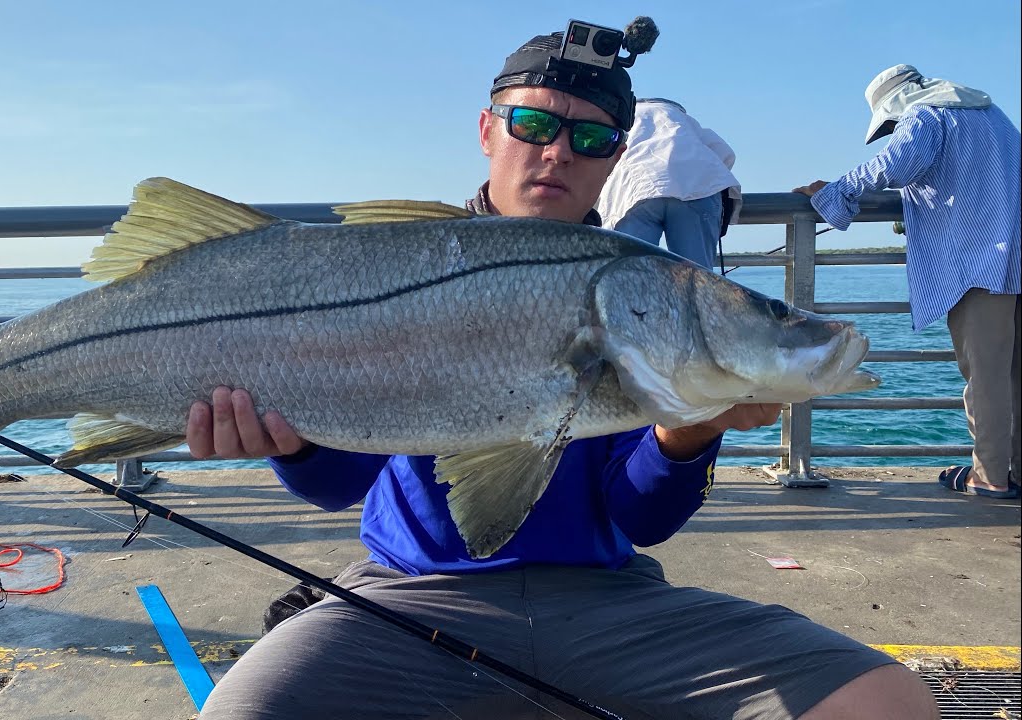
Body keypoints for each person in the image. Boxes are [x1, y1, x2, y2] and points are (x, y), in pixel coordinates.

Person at [189, 32, 938, 720]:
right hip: (407, 601)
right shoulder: (402, 257)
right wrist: (288, 444)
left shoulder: (641, 293)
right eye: (534, 126)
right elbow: (336, 487)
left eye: (590, 137)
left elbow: (642, 520)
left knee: (889, 702)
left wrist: (687, 435)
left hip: (610, 606)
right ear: (488, 132)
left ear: (616, 158)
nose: (557, 153)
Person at [795, 64, 1021, 501]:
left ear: (896, 105)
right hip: (1015, 255)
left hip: (979, 259)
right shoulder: (994, 116)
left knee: (986, 373)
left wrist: (836, 192)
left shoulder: (925, 115)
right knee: (1016, 372)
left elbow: (894, 163)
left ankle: (990, 476)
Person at [598, 98, 742, 271]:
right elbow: (725, 154)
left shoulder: (624, 121)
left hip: (638, 190)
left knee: (630, 274)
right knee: (697, 278)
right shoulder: (685, 121)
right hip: (697, 189)